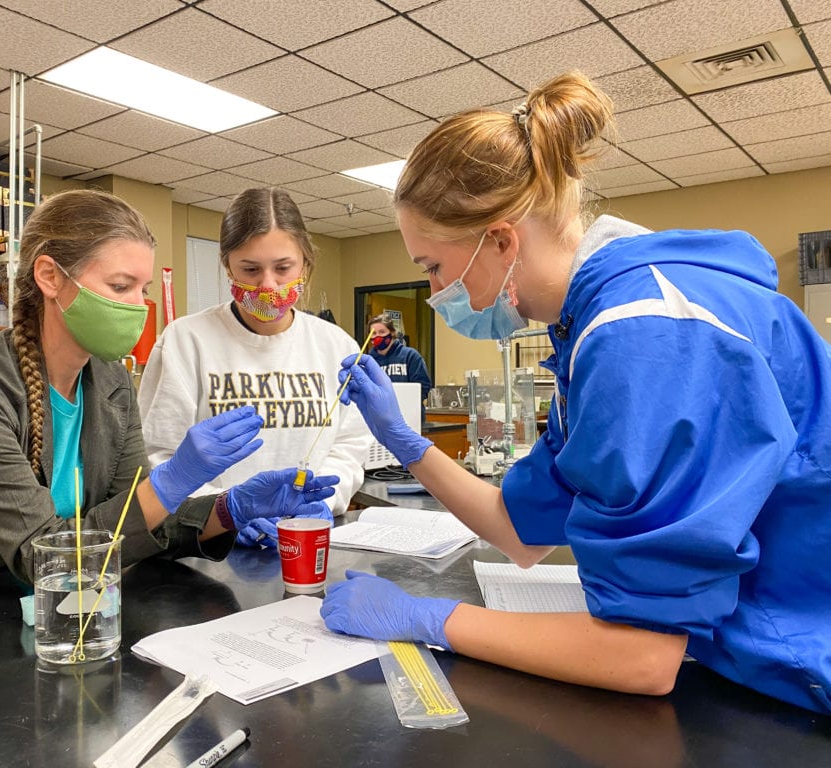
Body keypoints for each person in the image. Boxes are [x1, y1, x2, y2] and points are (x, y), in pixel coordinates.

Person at [319, 71, 831, 714]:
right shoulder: (590, 329)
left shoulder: (643, 333)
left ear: (500, 240)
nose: (435, 294)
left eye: (434, 268)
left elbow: (640, 656)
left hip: (802, 648)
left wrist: (427, 618)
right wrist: (405, 442)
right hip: (756, 647)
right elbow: (520, 531)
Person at [0, 189, 337, 586]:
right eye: (120, 287)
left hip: (26, 607)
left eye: (143, 289)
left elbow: (138, 523)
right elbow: (41, 554)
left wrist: (230, 508)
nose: (138, 307)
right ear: (50, 277)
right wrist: (170, 480)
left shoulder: (110, 381)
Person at [139, 187, 371, 547]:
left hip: (307, 540)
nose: (268, 286)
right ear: (227, 265)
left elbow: (349, 445)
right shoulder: (185, 341)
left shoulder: (336, 345)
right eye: (250, 269)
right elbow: (159, 456)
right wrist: (221, 509)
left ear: (306, 264)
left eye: (283, 268)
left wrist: (322, 500)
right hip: (210, 544)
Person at [368, 313, 431, 415]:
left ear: (392, 333)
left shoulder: (410, 356)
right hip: (380, 417)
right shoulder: (368, 362)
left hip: (409, 416)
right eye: (374, 333)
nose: (378, 336)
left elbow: (423, 387)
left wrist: (406, 405)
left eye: (382, 332)